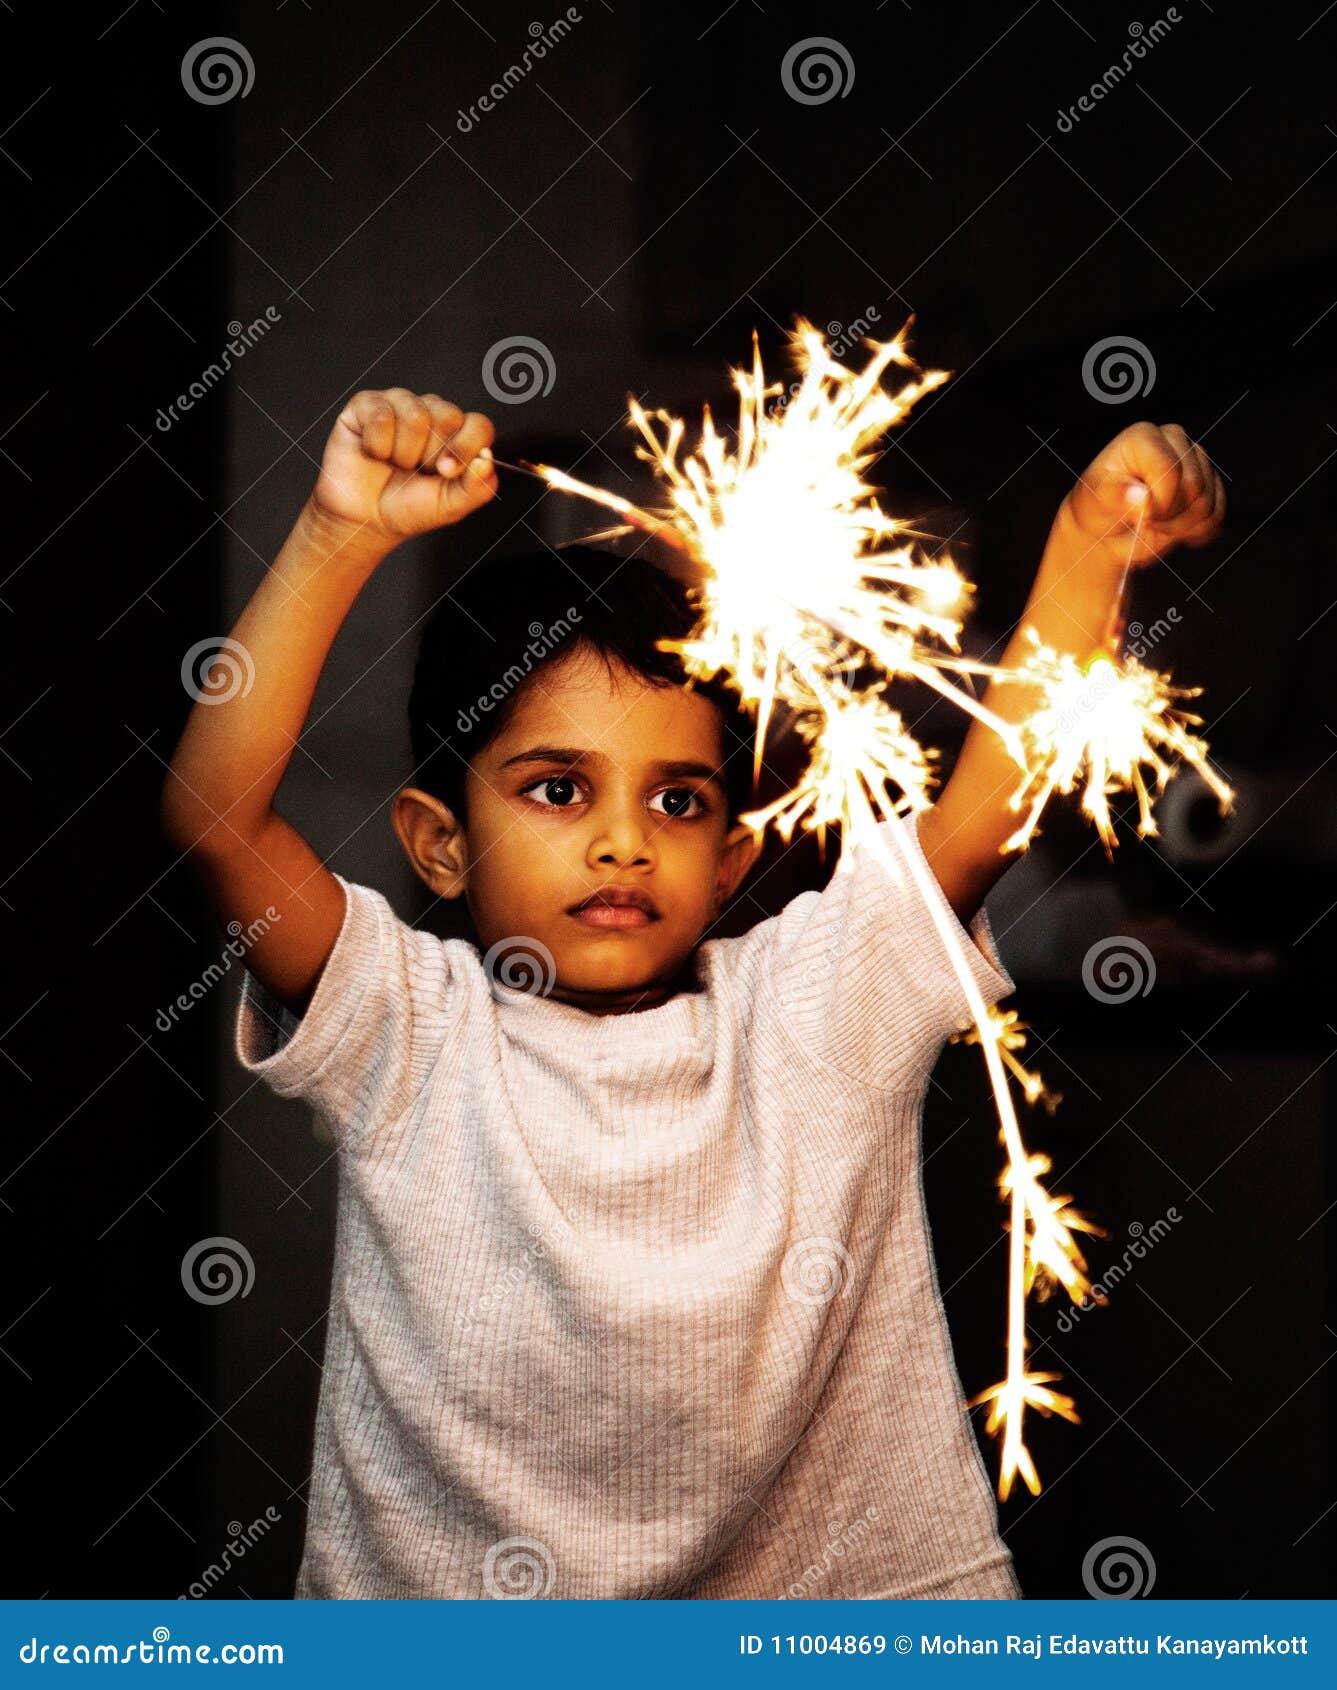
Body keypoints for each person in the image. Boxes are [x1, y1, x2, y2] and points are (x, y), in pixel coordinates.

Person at [160, 388, 1225, 1598]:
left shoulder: (815, 1004)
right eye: (558, 790)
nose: (624, 841)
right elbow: (213, 815)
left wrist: (1088, 548)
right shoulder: (405, 1026)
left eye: (676, 800)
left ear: (729, 860)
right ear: (439, 844)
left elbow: (986, 802)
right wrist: (339, 530)